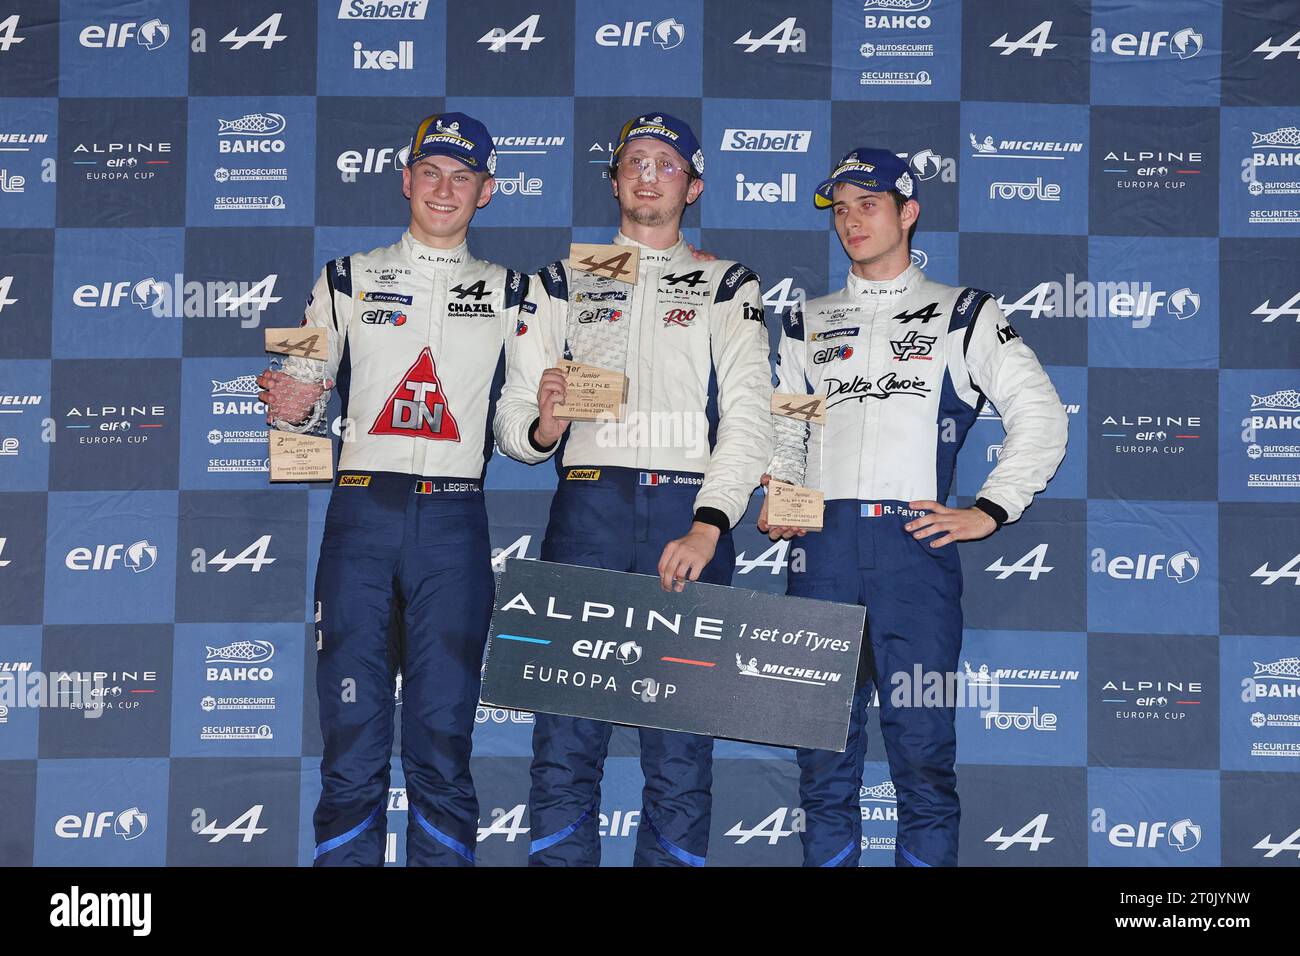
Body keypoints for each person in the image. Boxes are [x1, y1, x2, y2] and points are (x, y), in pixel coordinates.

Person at [760, 148, 1069, 867]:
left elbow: (1043, 414)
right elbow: (788, 431)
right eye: (840, 208)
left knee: (923, 758)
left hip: (913, 552)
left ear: (908, 211)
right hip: (821, 552)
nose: (851, 221)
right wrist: (783, 493)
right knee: (821, 761)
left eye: (868, 204)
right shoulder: (809, 320)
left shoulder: (964, 312)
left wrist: (992, 507)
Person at [494, 112, 774, 866]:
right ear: (614, 178)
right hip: (587, 504)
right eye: (634, 162)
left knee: (679, 753)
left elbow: (750, 417)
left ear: (694, 185)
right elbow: (516, 416)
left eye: (666, 164)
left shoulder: (728, 283)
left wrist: (711, 523)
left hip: (686, 513)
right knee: (564, 743)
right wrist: (544, 427)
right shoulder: (558, 279)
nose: (648, 174)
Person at [257, 111, 533, 866]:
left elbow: (518, 429)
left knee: (443, 743)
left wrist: (544, 430)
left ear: (487, 191)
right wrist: (295, 404)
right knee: (351, 742)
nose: (445, 189)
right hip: (362, 516)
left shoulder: (516, 292)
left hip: (455, 522)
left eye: (463, 176)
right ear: (407, 179)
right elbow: (305, 398)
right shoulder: (345, 277)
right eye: (432, 172)